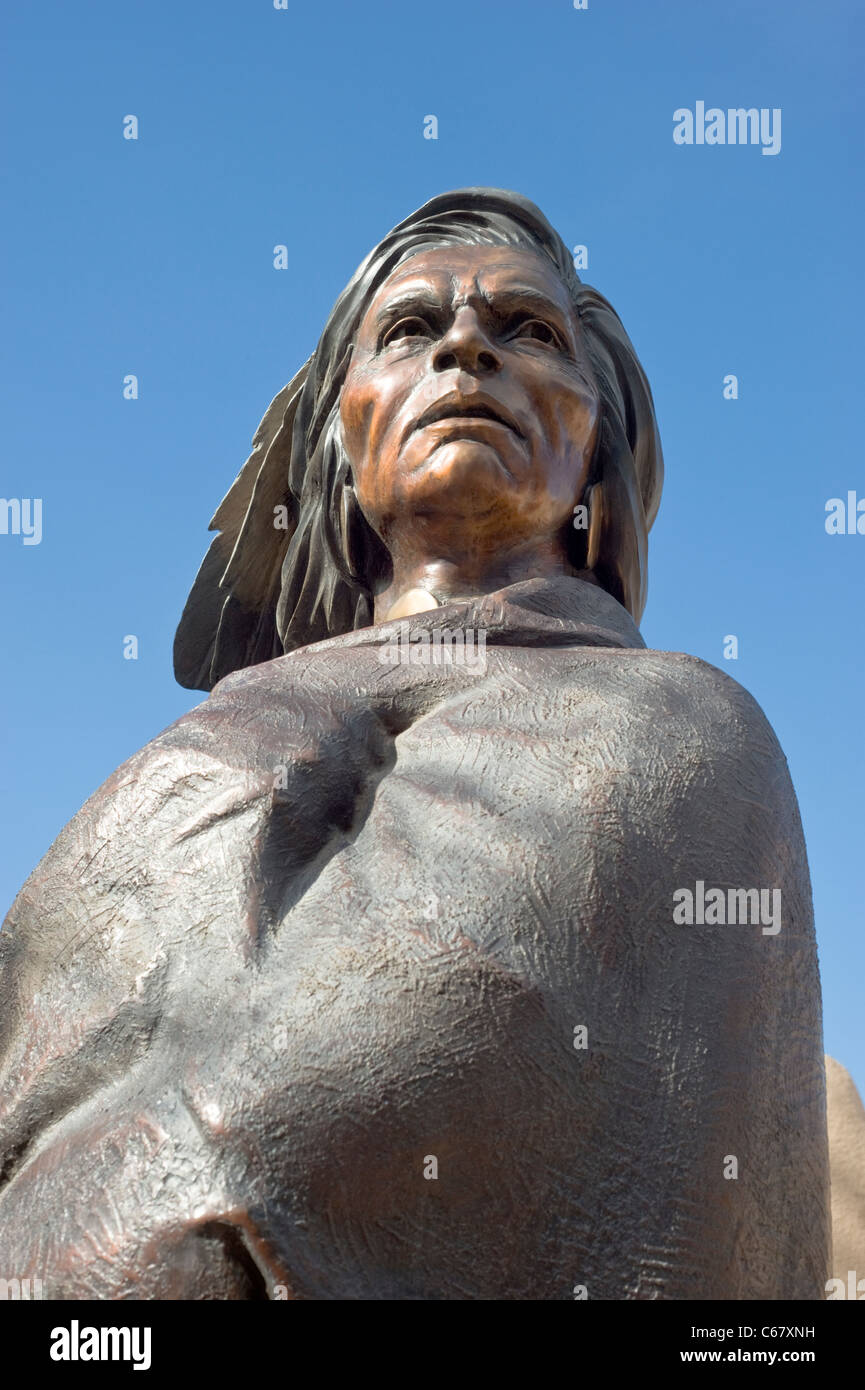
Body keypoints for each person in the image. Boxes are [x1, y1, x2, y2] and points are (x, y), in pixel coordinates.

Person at [0, 189, 828, 1299]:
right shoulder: (194, 747)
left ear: (599, 455)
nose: (466, 345)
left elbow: (320, 1106)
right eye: (408, 329)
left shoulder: (677, 728)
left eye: (528, 330)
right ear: (342, 439)